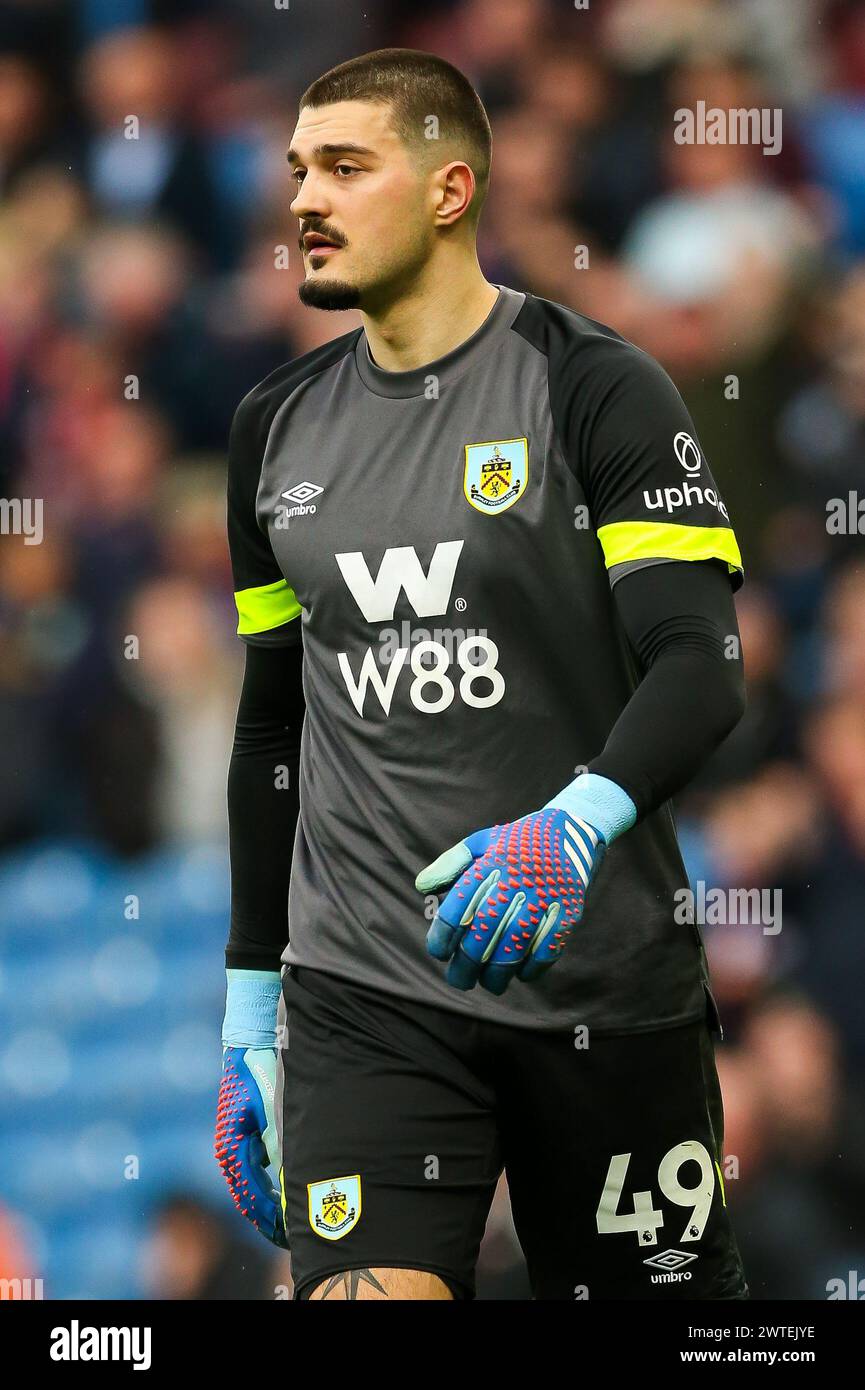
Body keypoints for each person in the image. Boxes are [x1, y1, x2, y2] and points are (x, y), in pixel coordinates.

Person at [214, 48, 748, 1302]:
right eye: (297, 169)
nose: (305, 198)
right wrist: (249, 1013)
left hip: (606, 988)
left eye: (346, 167)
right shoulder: (270, 432)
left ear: (451, 190)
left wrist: (574, 826)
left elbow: (701, 661)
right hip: (368, 990)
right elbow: (270, 727)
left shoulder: (594, 385)